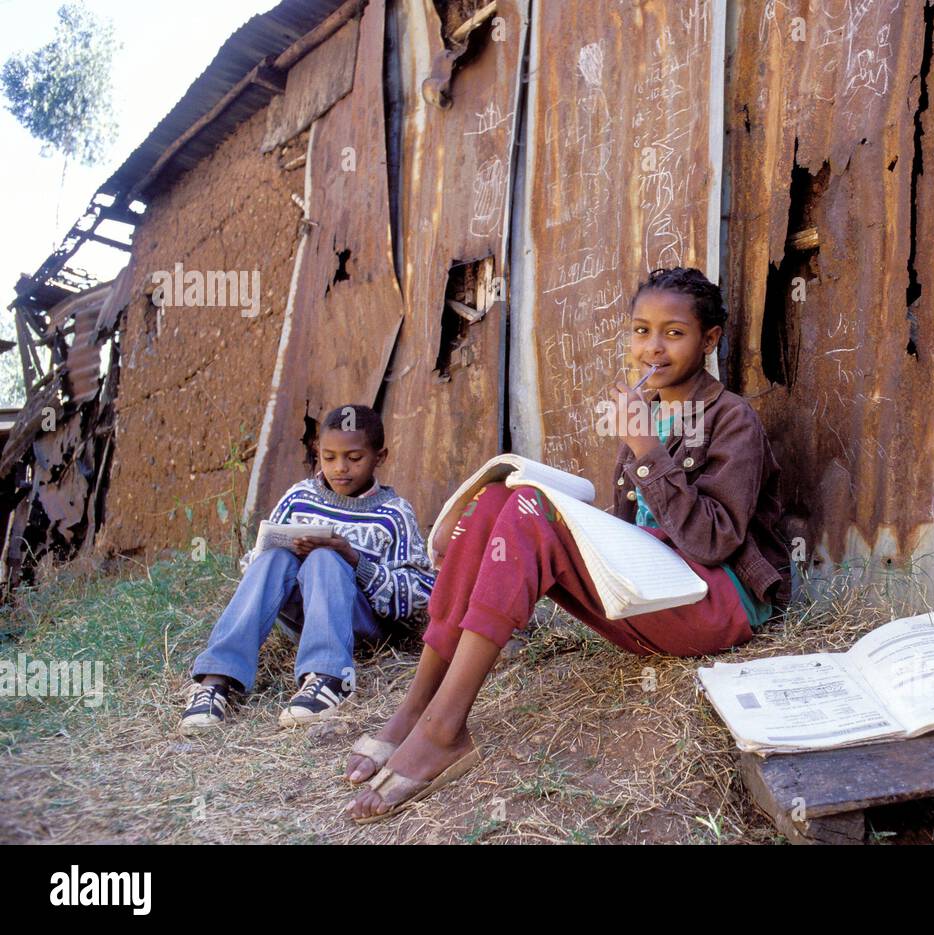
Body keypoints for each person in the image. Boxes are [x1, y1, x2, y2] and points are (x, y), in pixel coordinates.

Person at [344, 267, 790, 824]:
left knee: (531, 511)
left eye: (674, 333)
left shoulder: (733, 420)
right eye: (640, 330)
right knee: (495, 503)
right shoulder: (644, 410)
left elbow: (710, 541)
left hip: (714, 603)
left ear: (711, 339)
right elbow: (637, 530)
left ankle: (442, 729)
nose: (652, 346)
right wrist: (479, 551)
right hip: (651, 595)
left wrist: (646, 448)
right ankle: (416, 707)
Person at [179, 404, 436, 734]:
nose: (340, 468)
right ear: (318, 453)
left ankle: (327, 678)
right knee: (273, 558)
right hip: (302, 616)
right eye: (329, 457)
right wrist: (278, 554)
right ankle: (216, 680)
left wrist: (354, 559)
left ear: (380, 457)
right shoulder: (299, 498)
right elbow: (255, 568)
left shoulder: (394, 514)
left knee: (328, 557)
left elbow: (420, 594)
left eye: (354, 458)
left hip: (360, 624)